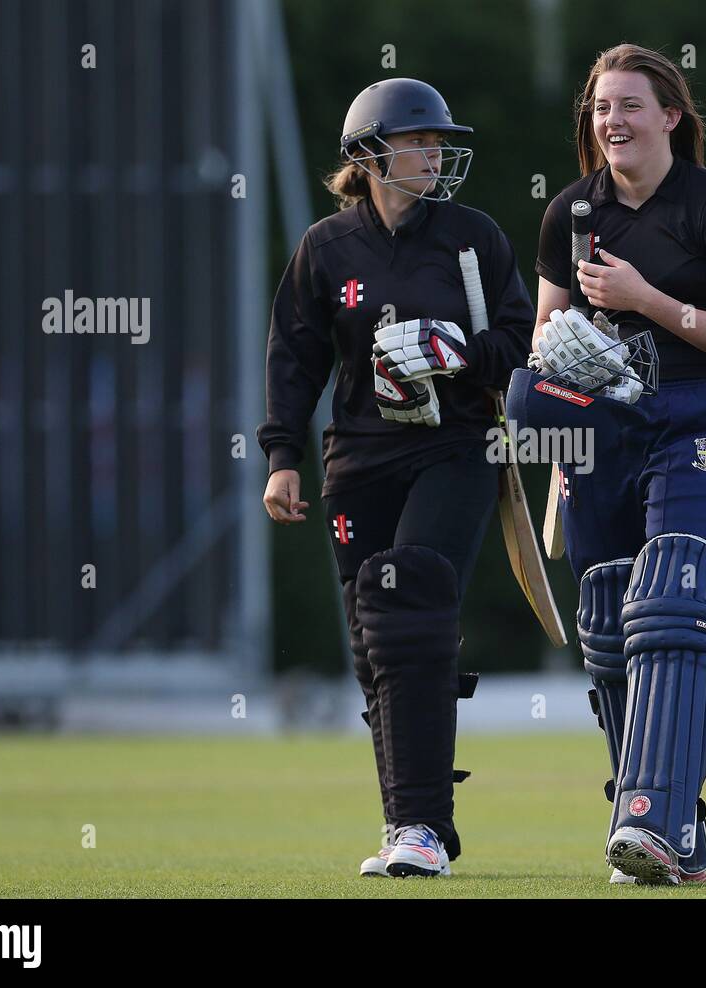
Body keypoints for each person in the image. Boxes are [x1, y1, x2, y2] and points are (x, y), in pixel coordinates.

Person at [257, 78, 533, 877]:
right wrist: (282, 460)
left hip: (454, 447)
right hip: (358, 461)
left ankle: (419, 827)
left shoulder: (473, 238)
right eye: (418, 140)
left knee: (409, 591)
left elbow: (521, 345)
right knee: (376, 643)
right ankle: (409, 828)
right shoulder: (325, 248)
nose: (434, 153)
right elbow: (295, 358)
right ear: (368, 154)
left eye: (439, 141)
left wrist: (460, 351)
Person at [527, 43, 706, 884]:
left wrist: (647, 302)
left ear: (670, 116)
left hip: (694, 417)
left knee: (674, 598)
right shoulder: (570, 212)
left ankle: (649, 821)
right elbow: (544, 339)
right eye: (601, 107)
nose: (613, 121)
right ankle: (673, 819)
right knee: (608, 622)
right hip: (598, 432)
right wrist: (559, 385)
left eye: (631, 105)